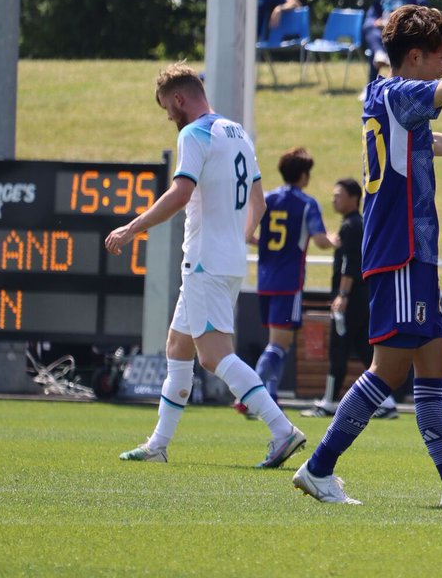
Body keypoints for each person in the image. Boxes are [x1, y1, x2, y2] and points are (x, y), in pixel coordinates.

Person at [292, 4, 442, 506]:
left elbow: (424, 141)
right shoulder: (403, 92)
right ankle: (319, 467)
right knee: (389, 370)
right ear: (417, 56)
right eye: (441, 56)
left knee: (434, 366)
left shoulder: (384, 95)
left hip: (412, 250)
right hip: (401, 248)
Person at [109, 62, 306, 468]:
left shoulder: (192, 133)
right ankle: (158, 445)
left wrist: (133, 227)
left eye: (167, 107)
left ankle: (282, 430)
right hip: (227, 260)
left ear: (179, 99)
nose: (168, 116)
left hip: (203, 262)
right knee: (177, 346)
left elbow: (180, 193)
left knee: (214, 357)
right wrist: (240, 236)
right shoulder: (237, 132)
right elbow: (260, 203)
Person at [300, 178, 398, 420]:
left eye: (338, 195)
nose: (334, 199)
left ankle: (330, 401)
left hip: (350, 299)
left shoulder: (351, 226)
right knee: (364, 350)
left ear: (353, 198)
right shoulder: (357, 224)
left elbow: (350, 264)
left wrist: (342, 295)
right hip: (362, 298)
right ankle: (386, 401)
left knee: (339, 349)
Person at [249, 147, 334, 411]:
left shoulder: (267, 199)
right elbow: (320, 241)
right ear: (304, 175)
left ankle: (270, 397)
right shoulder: (307, 203)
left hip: (264, 280)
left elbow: (245, 234)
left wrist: (266, 246)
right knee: (279, 345)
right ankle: (249, 393)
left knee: (276, 344)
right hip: (289, 282)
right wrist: (337, 240)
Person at [362, 0, 428, 84]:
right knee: (369, 26)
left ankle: (381, 57)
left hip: (404, 37)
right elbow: (371, 16)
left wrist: (394, 23)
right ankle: (379, 55)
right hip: (381, 35)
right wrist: (378, 22)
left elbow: (422, 23)